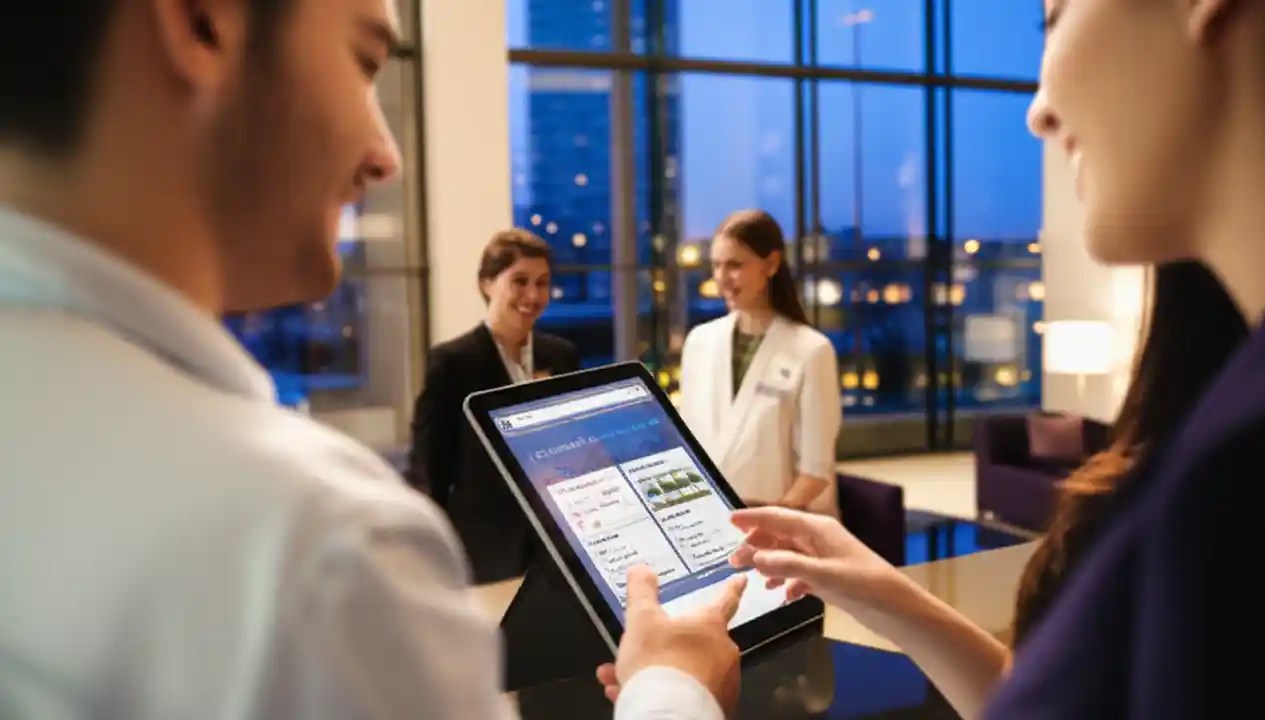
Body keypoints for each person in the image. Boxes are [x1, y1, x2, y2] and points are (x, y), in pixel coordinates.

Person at [0, 1, 742, 718]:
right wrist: (674, 689)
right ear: (202, 20)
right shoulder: (321, 556)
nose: (384, 156)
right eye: (363, 63)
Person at [724, 1, 1265, 717]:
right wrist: (877, 588)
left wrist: (670, 696)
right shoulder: (1223, 413)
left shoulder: (1241, 477)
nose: (1039, 112)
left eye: (1053, 19)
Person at [714, 260, 1247, 719]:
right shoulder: (1196, 415)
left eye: (735, 263)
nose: (1041, 131)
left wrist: (669, 697)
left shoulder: (1229, 477)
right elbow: (1030, 700)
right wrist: (884, 594)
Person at [408, 229, 578, 583]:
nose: (532, 295)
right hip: (486, 553)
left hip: (557, 545)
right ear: (487, 283)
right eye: (519, 281)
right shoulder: (452, 363)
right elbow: (429, 469)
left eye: (542, 283)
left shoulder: (561, 355)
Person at [678, 209, 841, 513]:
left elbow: (815, 473)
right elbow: (686, 448)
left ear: (772, 264)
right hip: (707, 523)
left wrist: (769, 523)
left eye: (735, 265)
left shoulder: (812, 350)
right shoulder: (699, 342)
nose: (722, 278)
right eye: (716, 265)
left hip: (784, 528)